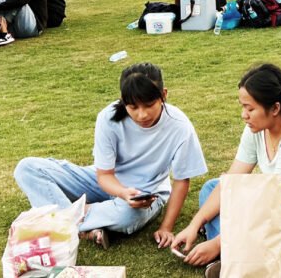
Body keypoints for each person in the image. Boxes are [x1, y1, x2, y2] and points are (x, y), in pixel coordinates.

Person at [172, 64, 281, 270]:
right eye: (242, 106)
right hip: (280, 201)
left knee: (269, 239)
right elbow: (232, 181)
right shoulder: (255, 129)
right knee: (213, 189)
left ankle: (227, 253)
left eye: (250, 108)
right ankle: (235, 253)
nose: (244, 115)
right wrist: (194, 225)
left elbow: (269, 205)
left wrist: (218, 242)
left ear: (275, 108)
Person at [14, 63, 208, 248]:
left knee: (127, 217)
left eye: (149, 105)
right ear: (123, 101)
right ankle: (83, 221)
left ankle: (64, 215)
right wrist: (122, 193)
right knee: (27, 168)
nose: (142, 115)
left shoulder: (180, 126)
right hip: (105, 181)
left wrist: (166, 228)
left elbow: (182, 180)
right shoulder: (108, 117)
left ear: (163, 95)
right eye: (133, 107)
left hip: (145, 192)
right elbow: (104, 175)